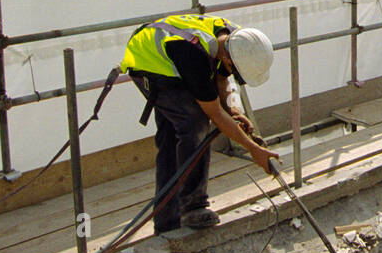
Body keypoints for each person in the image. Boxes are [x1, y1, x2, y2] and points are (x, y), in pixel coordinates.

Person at [119, 13, 277, 234]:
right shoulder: (194, 55)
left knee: (173, 138)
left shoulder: (238, 42)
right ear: (228, 59)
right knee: (194, 124)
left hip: (172, 57)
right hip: (149, 61)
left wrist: (232, 110)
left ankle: (166, 222)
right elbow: (215, 115)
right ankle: (193, 206)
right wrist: (253, 150)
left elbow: (222, 78)